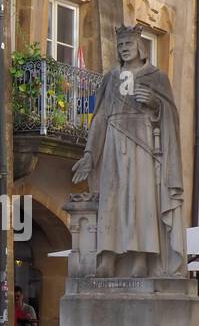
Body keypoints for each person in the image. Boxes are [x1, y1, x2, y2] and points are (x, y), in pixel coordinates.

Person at [70, 23, 185, 277]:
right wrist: (90, 154)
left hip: (142, 144)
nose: (124, 49)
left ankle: (141, 258)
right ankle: (108, 257)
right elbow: (100, 117)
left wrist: (155, 105)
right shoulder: (111, 78)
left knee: (141, 202)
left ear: (140, 46)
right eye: (120, 45)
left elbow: (170, 117)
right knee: (111, 201)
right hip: (112, 143)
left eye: (128, 44)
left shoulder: (156, 77)